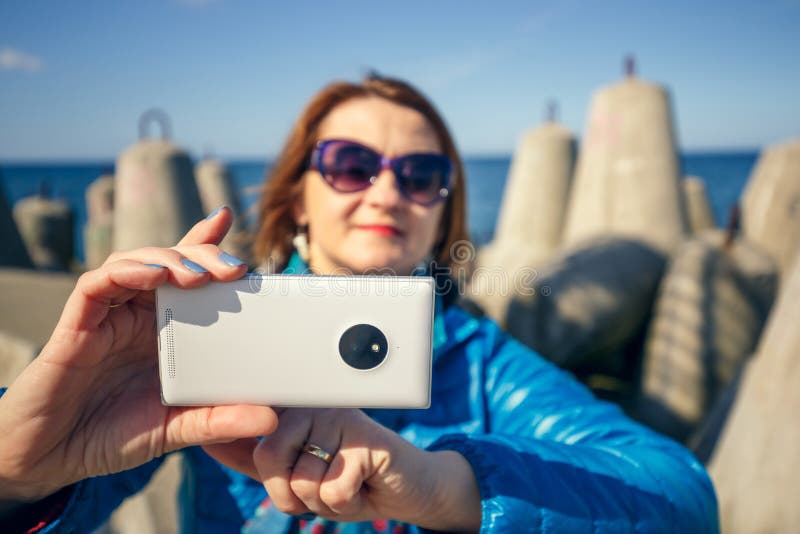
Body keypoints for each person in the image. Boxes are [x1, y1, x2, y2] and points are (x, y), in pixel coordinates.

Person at [0, 74, 719, 533]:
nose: (384, 191)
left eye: (420, 173)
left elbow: (681, 496)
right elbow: (71, 489)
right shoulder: (211, 326)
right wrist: (17, 475)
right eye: (348, 166)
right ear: (298, 200)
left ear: (444, 212)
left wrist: (450, 485)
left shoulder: (478, 357)